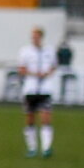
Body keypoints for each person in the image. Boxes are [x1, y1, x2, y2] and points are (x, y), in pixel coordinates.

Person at [17, 26, 57, 158]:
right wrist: (35, 74)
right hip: (30, 89)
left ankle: (46, 147)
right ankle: (32, 147)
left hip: (45, 89)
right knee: (30, 118)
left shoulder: (49, 50)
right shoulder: (25, 51)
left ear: (41, 37)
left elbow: (54, 66)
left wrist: (47, 74)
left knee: (46, 117)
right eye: (33, 37)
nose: (34, 39)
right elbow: (21, 69)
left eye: (36, 36)